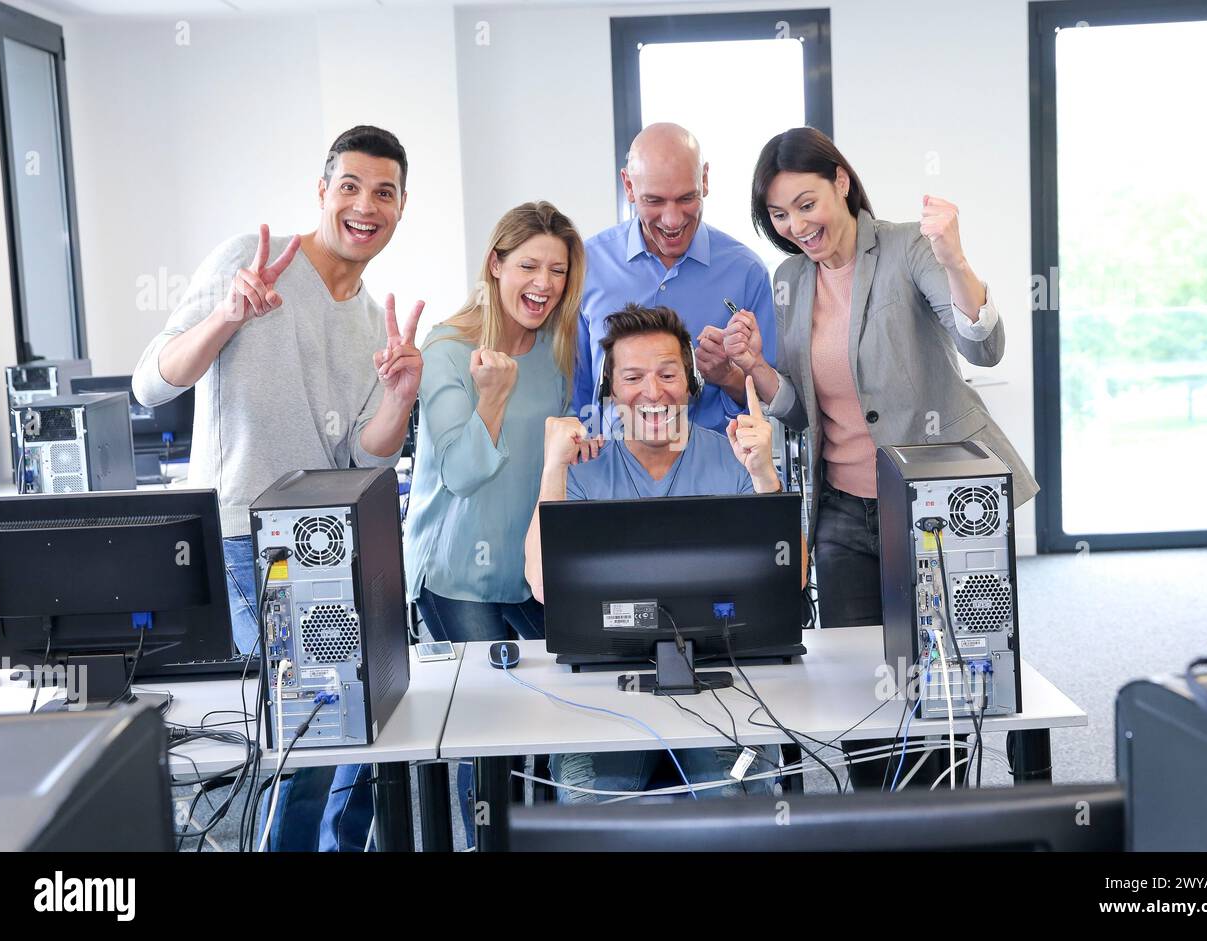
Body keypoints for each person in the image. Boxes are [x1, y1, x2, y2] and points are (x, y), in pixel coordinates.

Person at [132, 125, 422, 851]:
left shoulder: (367, 318)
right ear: (321, 191)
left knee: (352, 715)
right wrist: (229, 314)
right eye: (349, 186)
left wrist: (398, 399)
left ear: (400, 206)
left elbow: (363, 451)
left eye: (382, 192)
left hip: (330, 543)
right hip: (246, 538)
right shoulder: (249, 264)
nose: (364, 205)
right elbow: (150, 381)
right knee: (311, 721)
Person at [726, 125, 1037, 633]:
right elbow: (802, 410)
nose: (796, 226)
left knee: (956, 657)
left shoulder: (909, 246)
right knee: (854, 673)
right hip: (841, 510)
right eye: (780, 215)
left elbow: (984, 347)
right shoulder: (790, 280)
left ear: (841, 183)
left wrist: (955, 259)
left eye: (807, 205)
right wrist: (757, 367)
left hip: (932, 495)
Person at [525, 303, 788, 802]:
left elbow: (788, 580)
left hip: (721, 684)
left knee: (737, 800)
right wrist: (551, 472)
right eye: (633, 377)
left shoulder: (733, 457)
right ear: (610, 391)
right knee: (588, 809)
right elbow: (541, 584)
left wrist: (763, 476)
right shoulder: (584, 469)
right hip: (604, 689)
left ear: (691, 385)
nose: (652, 391)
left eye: (669, 374)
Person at [404, 200, 584, 842]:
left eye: (557, 270)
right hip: (458, 571)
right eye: (529, 265)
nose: (544, 284)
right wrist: (495, 397)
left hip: (530, 568)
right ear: (495, 264)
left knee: (561, 711)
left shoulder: (561, 345)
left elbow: (555, 455)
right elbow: (460, 473)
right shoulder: (448, 349)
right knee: (491, 734)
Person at [573, 123, 776, 436]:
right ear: (628, 186)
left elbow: (767, 403)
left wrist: (728, 376)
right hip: (613, 475)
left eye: (686, 198)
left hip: (718, 477)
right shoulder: (586, 266)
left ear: (705, 180)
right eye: (654, 201)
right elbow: (577, 392)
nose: (672, 220)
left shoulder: (746, 272)